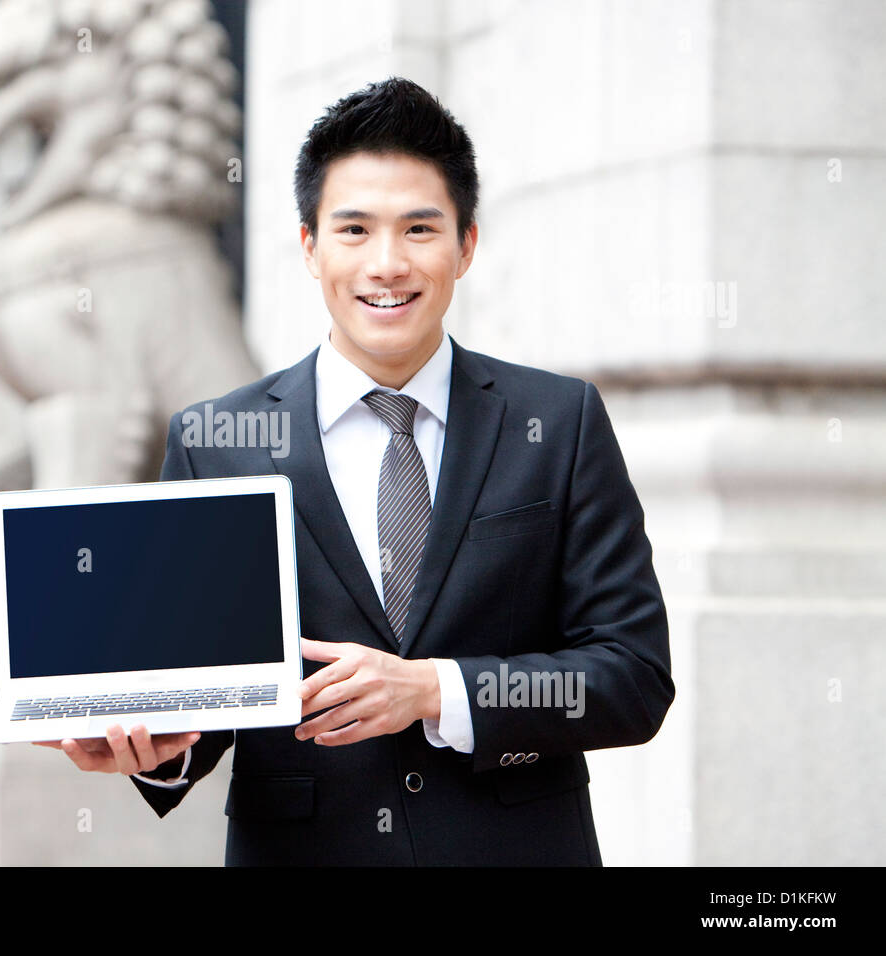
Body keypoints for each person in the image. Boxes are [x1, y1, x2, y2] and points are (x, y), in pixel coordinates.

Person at [36, 76, 674, 865]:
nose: (387, 264)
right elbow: (203, 695)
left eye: (419, 229)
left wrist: (435, 689)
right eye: (354, 230)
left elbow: (632, 675)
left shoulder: (559, 422)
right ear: (310, 248)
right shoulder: (217, 442)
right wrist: (159, 750)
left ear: (466, 245)